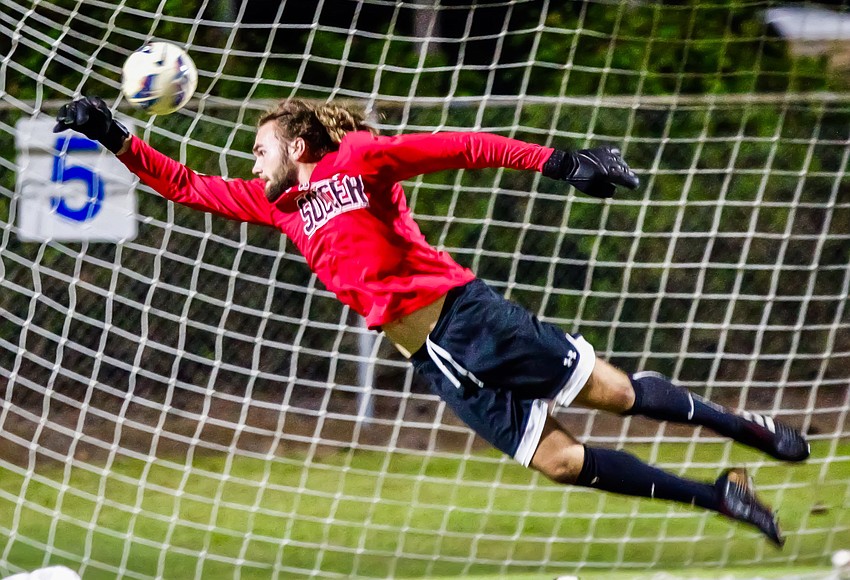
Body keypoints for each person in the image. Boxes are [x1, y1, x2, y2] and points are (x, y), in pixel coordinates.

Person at [54, 96, 809, 547]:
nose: (252, 164)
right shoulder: (278, 206)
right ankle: (721, 494)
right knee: (561, 464)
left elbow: (462, 147)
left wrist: (560, 161)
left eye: (260, 149)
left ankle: (750, 430)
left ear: (298, 142)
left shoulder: (361, 160)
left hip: (470, 319)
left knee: (612, 394)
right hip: (433, 360)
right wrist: (117, 138)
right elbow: (185, 186)